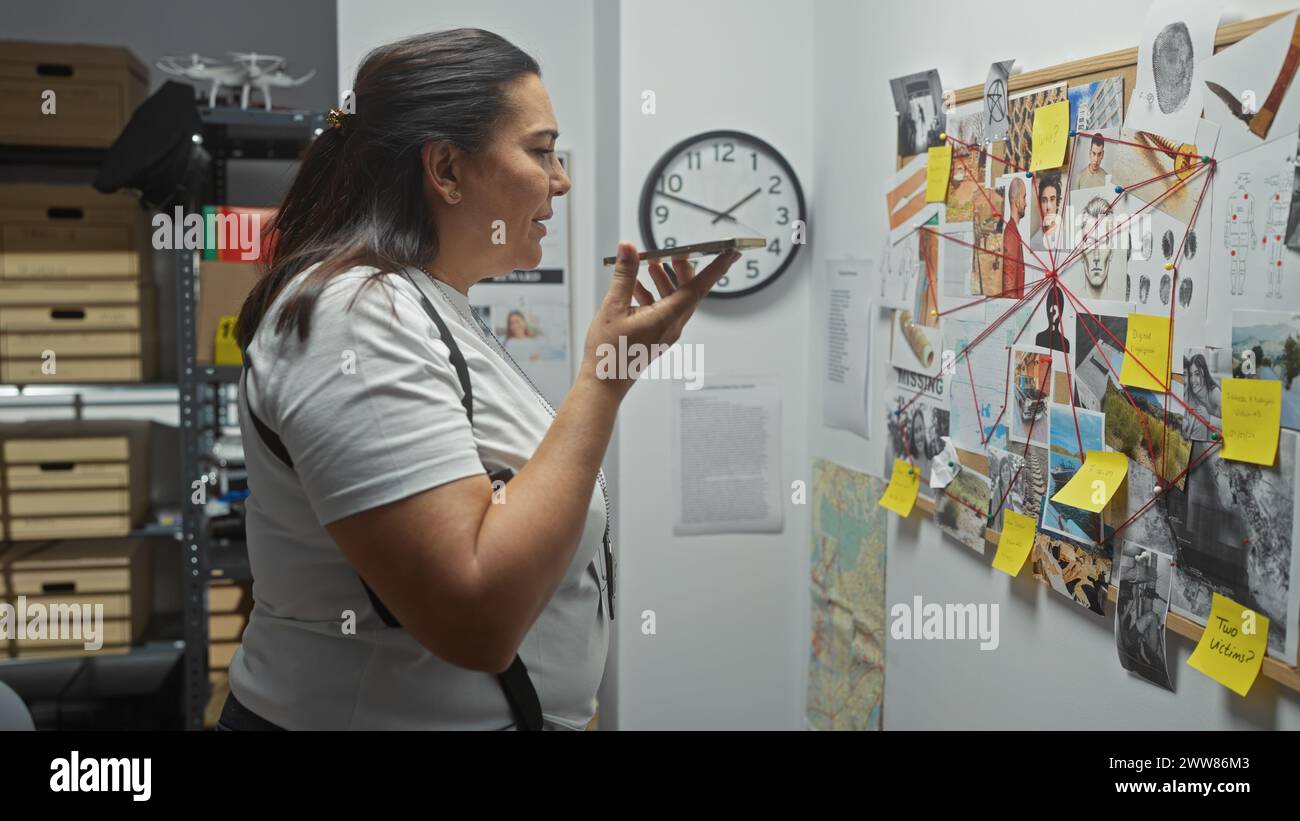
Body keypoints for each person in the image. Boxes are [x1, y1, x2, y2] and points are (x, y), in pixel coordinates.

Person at [220, 28, 741, 731]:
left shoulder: (431, 303)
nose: (561, 180)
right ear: (447, 170)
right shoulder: (357, 316)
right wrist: (601, 381)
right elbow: (473, 617)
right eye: (540, 150)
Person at [1183, 352, 1222, 440]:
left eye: (1197, 374)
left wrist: (1209, 418)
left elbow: (1231, 423)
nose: (1193, 380)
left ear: (1204, 373)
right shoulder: (1190, 394)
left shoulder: (1214, 393)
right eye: (1191, 375)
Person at [1002, 177, 1027, 298]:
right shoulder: (1011, 233)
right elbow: (1009, 282)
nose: (1026, 203)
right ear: (1017, 201)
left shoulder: (1013, 230)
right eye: (1024, 197)